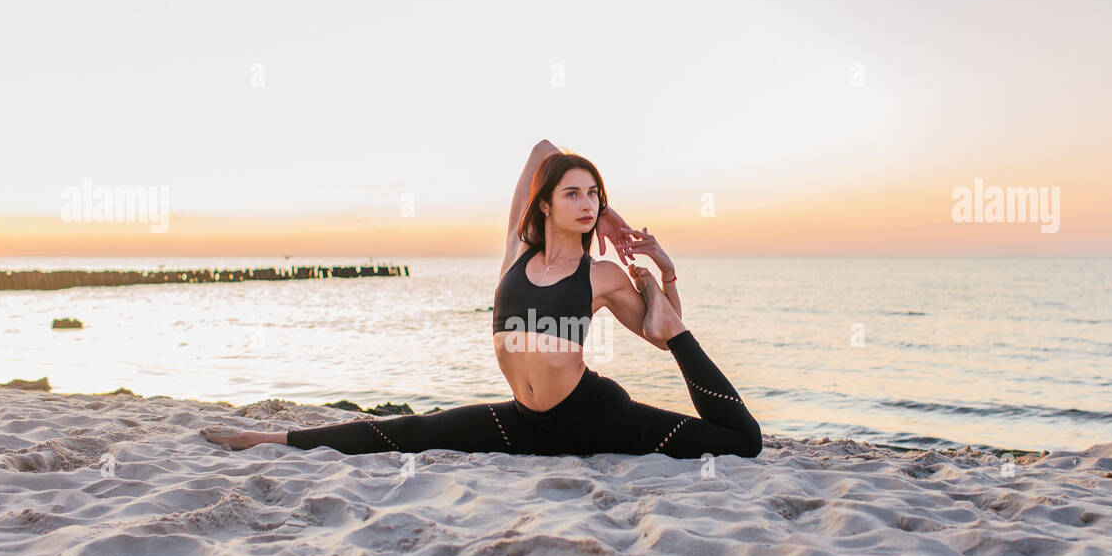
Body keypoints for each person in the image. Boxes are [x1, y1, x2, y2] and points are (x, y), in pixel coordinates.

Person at [201, 140, 762, 459]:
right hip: (522, 423)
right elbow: (543, 147)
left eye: (595, 195)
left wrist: (665, 272)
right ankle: (269, 437)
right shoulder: (516, 252)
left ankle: (272, 436)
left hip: (594, 420)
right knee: (409, 433)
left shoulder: (604, 275)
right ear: (544, 204)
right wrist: (613, 216)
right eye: (574, 193)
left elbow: (665, 333)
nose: (586, 203)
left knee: (742, 442)